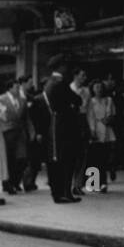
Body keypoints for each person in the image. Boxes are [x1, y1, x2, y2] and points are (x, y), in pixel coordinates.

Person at [45, 61, 83, 204]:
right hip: (65, 126)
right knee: (67, 160)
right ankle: (65, 193)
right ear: (60, 67)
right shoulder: (60, 83)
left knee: (56, 161)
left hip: (55, 124)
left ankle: (57, 193)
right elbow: (77, 99)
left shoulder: (49, 82)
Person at [85, 80, 116, 194]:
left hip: (106, 131)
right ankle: (93, 182)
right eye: (96, 87)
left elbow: (113, 114)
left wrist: (109, 119)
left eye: (100, 87)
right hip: (95, 130)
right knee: (93, 159)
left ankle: (103, 182)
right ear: (92, 89)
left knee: (104, 158)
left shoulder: (108, 100)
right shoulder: (91, 102)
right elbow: (89, 116)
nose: (98, 89)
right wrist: (92, 130)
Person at [25, 77, 50, 192]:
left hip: (51, 132)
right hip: (40, 132)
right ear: (44, 86)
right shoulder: (37, 99)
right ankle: (29, 182)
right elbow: (34, 118)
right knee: (35, 158)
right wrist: (37, 132)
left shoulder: (54, 98)